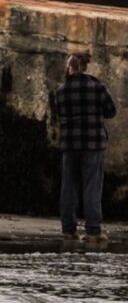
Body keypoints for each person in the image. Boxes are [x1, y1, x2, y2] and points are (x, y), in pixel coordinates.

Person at [51, 52, 116, 242]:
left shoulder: (61, 91)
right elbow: (111, 111)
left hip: (69, 144)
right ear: (85, 68)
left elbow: (58, 113)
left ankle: (68, 230)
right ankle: (93, 230)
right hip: (93, 143)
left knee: (68, 186)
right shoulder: (97, 88)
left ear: (70, 68)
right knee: (91, 186)